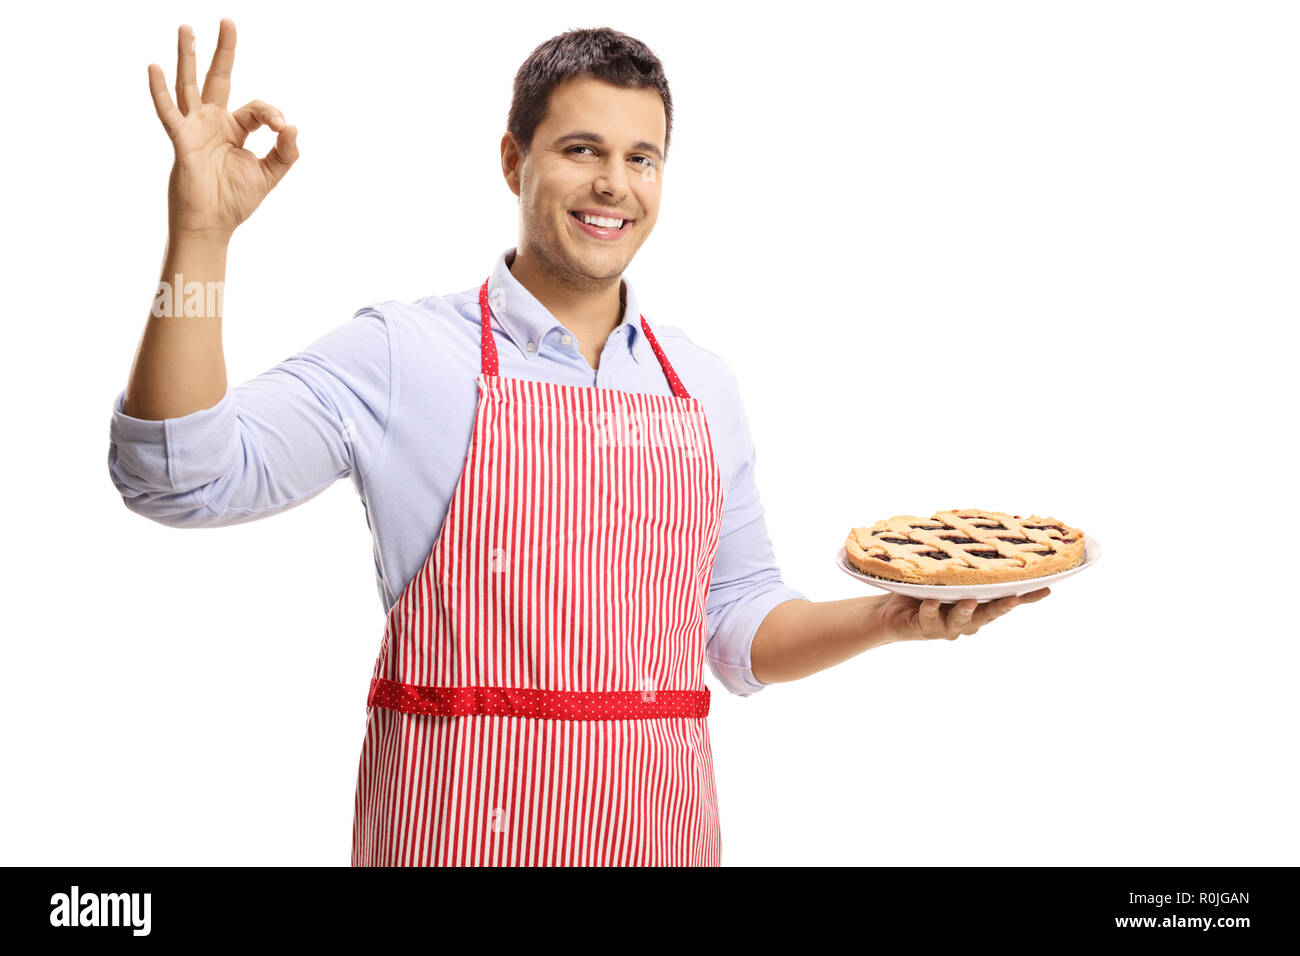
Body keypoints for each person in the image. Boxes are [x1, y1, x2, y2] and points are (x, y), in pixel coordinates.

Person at [109, 19, 1050, 867]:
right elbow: (179, 475)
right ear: (513, 159)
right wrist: (199, 236)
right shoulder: (405, 356)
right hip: (451, 838)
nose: (614, 184)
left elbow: (734, 625)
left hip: (665, 840)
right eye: (581, 149)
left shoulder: (702, 386)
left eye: (643, 158)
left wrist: (891, 618)